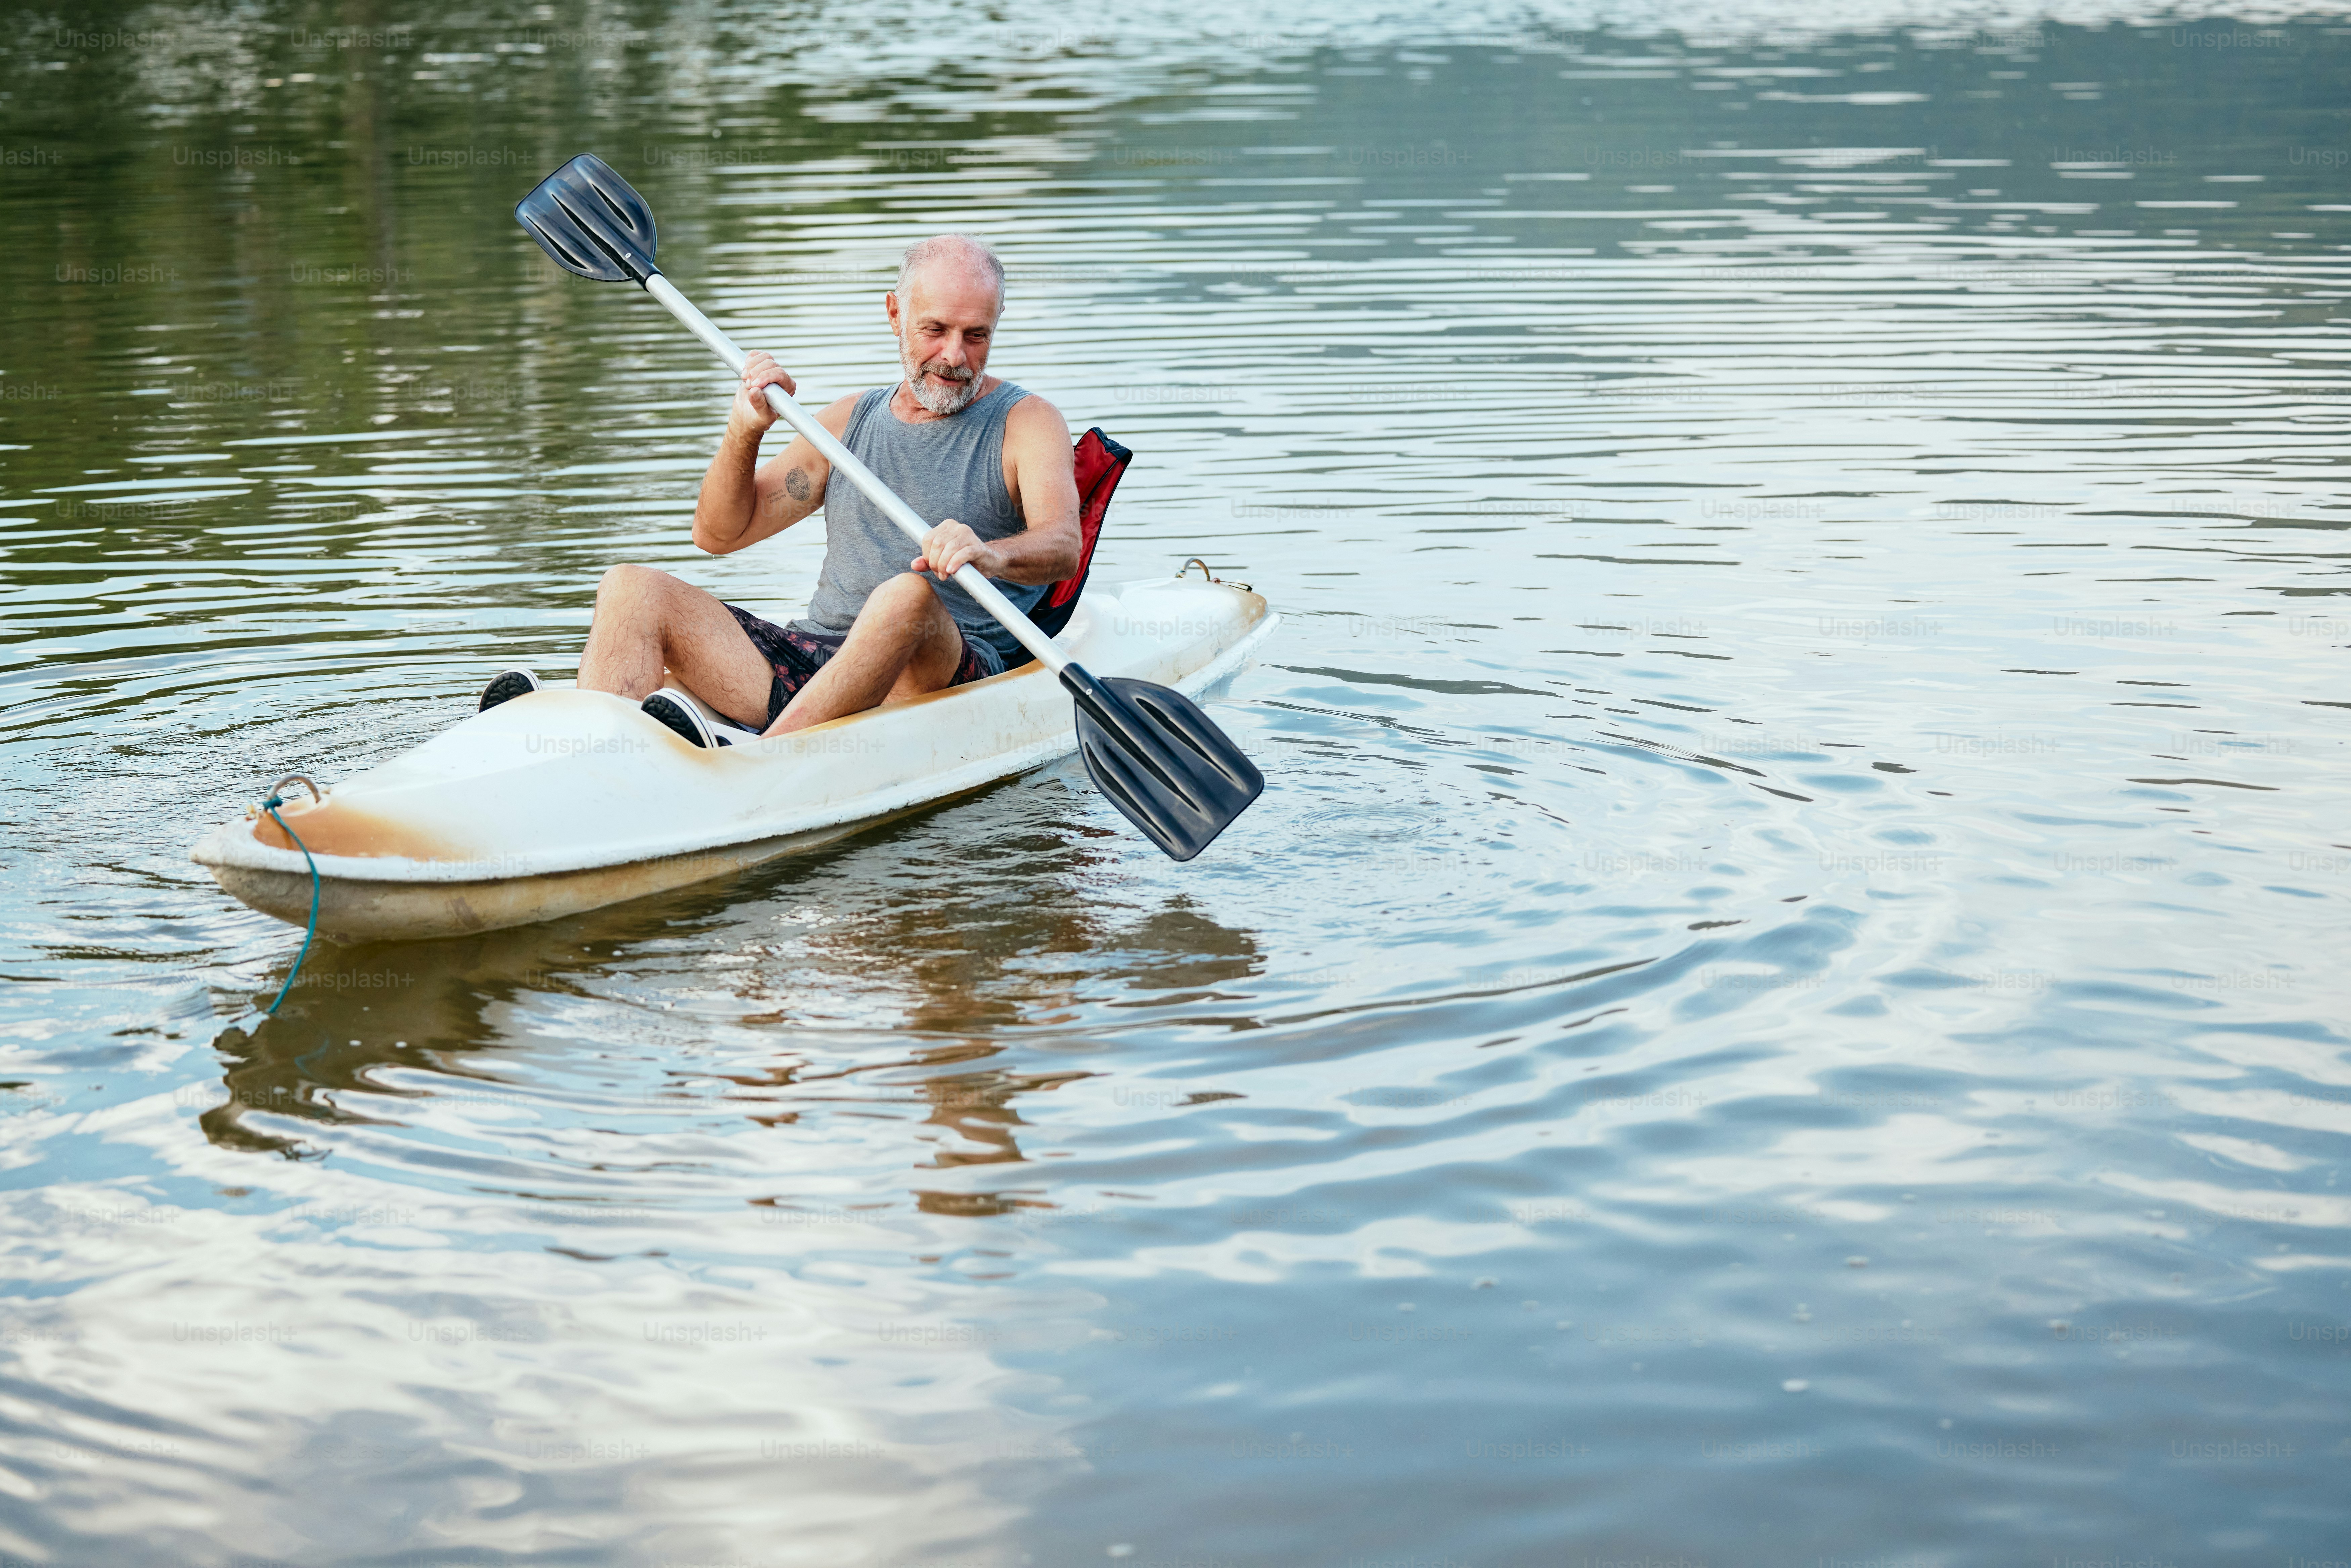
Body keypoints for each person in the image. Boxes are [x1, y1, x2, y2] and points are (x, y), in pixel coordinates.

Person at [476, 233, 1081, 748]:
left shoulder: (1026, 422)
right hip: (813, 660)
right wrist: (745, 429)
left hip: (942, 676)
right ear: (895, 314)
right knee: (630, 588)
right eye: (935, 330)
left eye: (976, 335)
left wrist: (990, 552)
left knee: (908, 596)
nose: (955, 356)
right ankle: (585, 754)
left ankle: (764, 764)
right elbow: (719, 534)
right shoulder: (848, 423)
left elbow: (1062, 545)